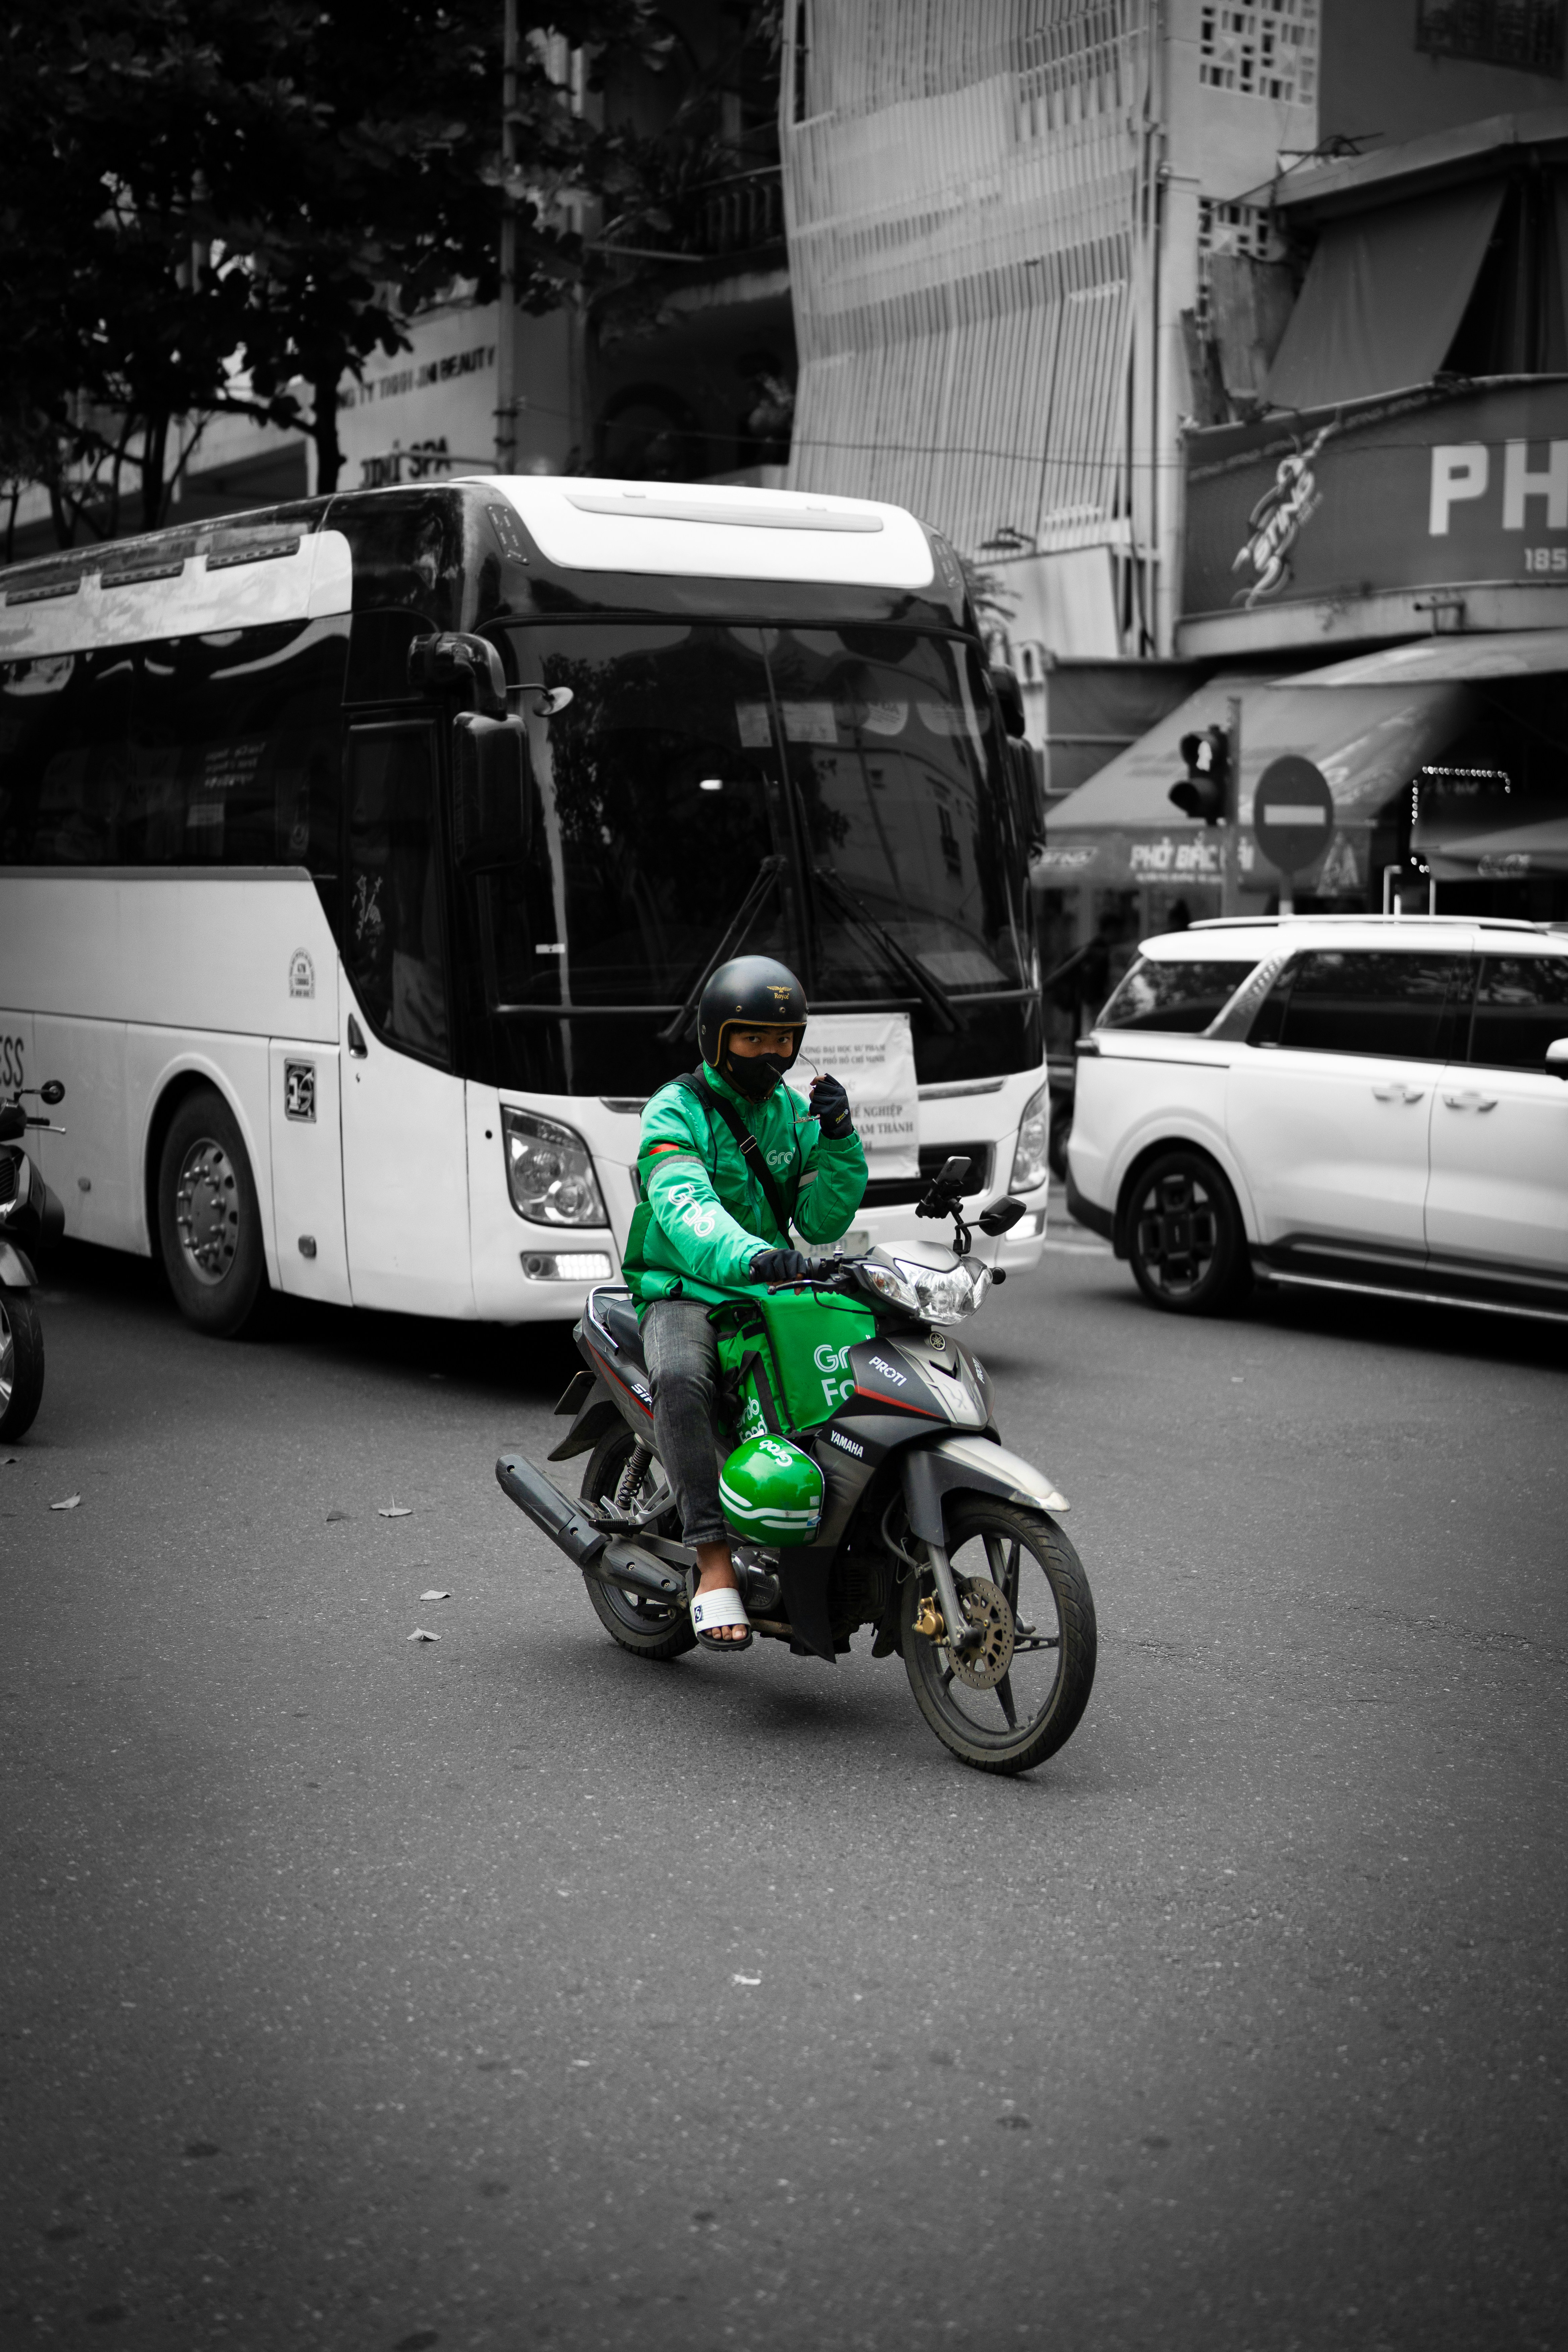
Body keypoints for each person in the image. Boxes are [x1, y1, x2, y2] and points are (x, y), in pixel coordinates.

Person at [622, 955, 868, 1652]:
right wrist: (753, 1257)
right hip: (685, 1287)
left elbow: (821, 1222)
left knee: (842, 1371)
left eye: (782, 1039)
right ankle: (710, 1562)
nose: (771, 1054)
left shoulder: (792, 1114)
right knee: (681, 1378)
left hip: (767, 1282)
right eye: (752, 1037)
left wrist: (841, 1139)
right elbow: (684, 1208)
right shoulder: (675, 1109)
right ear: (715, 1037)